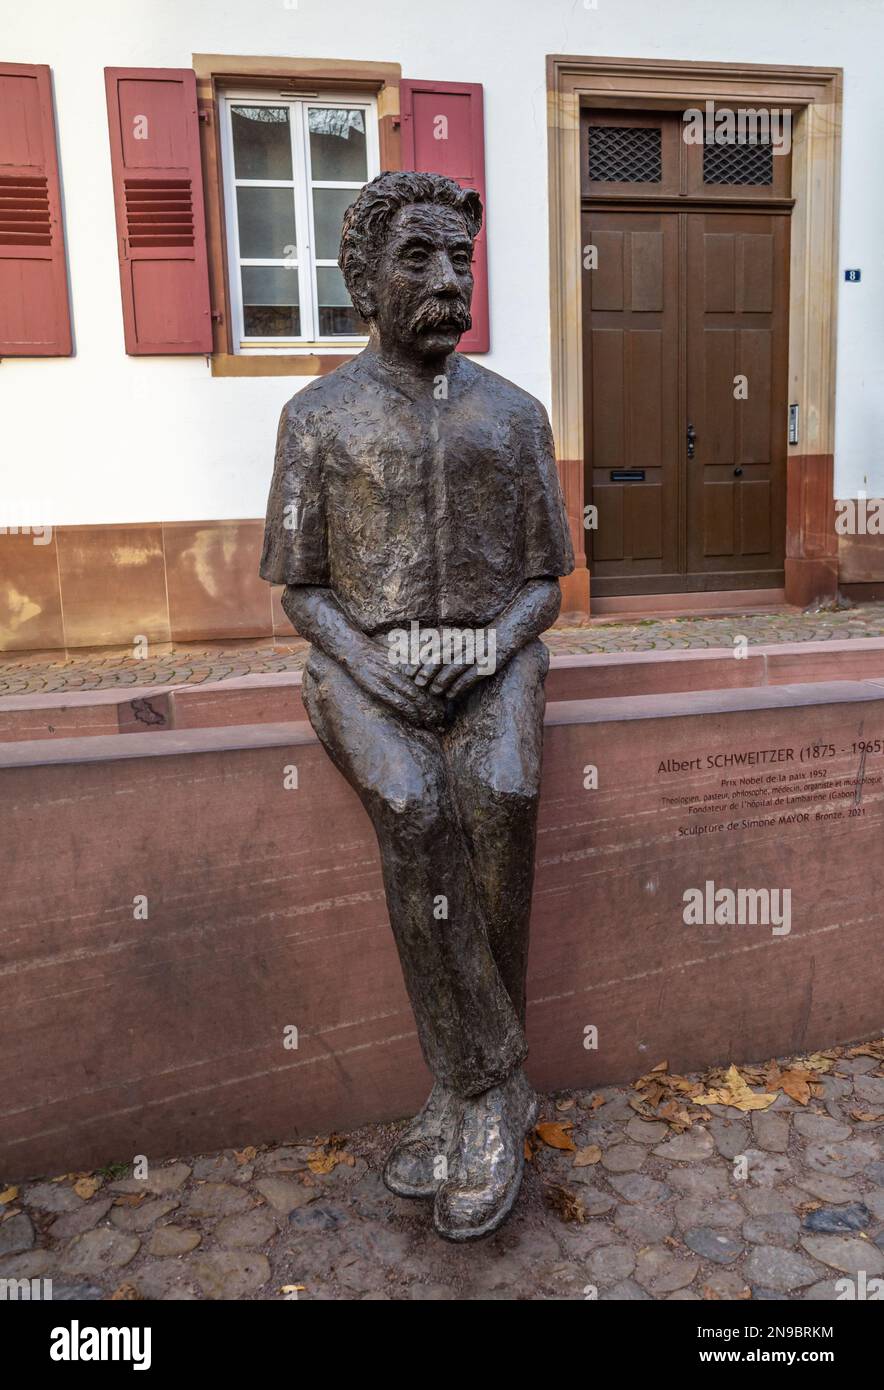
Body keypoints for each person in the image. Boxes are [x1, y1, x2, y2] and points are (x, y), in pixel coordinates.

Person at [260, 170, 574, 1240]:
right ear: (361, 281)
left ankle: (463, 1096)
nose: (448, 281)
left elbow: (548, 582)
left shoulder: (515, 416)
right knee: (409, 802)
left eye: (460, 260)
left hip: (494, 659)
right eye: (418, 260)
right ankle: (495, 1083)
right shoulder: (314, 419)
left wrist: (489, 644)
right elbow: (298, 589)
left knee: (498, 787)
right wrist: (367, 662)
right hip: (361, 666)